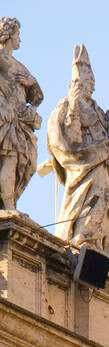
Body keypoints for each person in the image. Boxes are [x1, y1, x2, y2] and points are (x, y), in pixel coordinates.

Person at [46, 44, 109, 253]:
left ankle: (95, 242)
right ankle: (81, 238)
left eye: (91, 83)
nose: (90, 86)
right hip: (83, 165)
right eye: (85, 82)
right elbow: (68, 139)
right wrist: (74, 108)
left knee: (102, 199)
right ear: (74, 83)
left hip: (102, 164)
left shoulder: (99, 111)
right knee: (83, 203)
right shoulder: (66, 106)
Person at [0, 17, 42, 211]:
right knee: (10, 158)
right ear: (9, 35)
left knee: (28, 163)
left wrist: (31, 82)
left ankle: (10, 200)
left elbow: (37, 98)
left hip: (21, 119)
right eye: (18, 34)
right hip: (5, 116)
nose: (20, 38)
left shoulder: (20, 67)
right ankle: (8, 204)